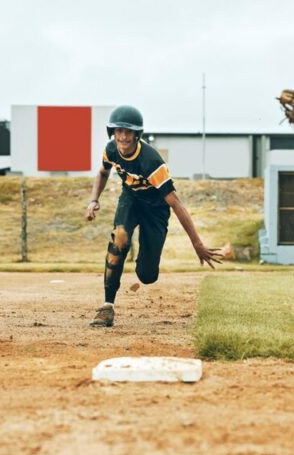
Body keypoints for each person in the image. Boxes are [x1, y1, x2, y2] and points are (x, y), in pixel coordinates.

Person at [86, 105, 222, 327]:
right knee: (119, 239)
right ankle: (107, 306)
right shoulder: (110, 150)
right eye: (118, 131)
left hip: (155, 210)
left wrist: (197, 243)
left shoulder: (151, 162)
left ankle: (144, 256)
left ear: (137, 134)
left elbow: (176, 203)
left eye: (128, 132)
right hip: (130, 199)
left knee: (147, 275)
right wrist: (94, 200)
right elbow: (103, 172)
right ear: (112, 132)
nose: (123, 136)